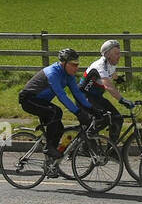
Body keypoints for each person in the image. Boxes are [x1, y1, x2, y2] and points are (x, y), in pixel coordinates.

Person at [19, 48, 96, 176]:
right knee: (56, 112)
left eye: (78, 64)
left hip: (42, 102)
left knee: (59, 128)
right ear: (64, 63)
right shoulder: (52, 73)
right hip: (28, 99)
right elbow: (61, 95)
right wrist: (77, 112)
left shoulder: (69, 75)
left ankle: (50, 164)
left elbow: (77, 93)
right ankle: (49, 147)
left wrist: (91, 108)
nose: (76, 67)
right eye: (73, 64)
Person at [79, 39, 134, 142]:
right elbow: (108, 86)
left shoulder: (111, 63)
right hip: (84, 96)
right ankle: (86, 138)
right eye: (116, 53)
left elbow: (112, 73)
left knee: (117, 118)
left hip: (96, 97)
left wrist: (118, 79)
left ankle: (112, 152)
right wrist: (122, 100)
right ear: (108, 54)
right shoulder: (100, 66)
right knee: (103, 118)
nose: (119, 56)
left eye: (119, 53)